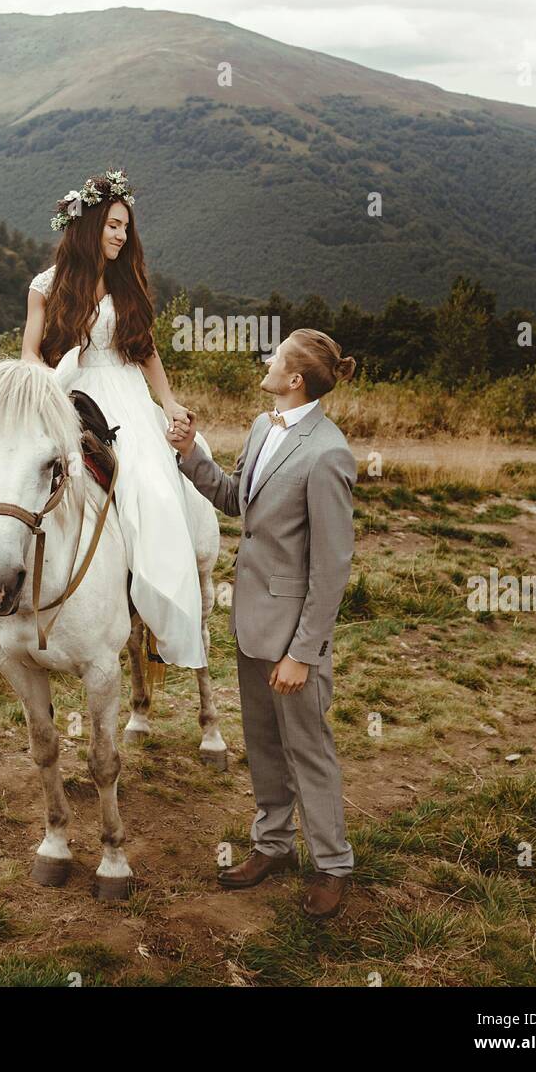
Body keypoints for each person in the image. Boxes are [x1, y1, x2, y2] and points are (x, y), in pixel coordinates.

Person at [0, 168, 206, 670]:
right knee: (6, 473)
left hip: (125, 395)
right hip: (65, 391)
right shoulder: (46, 286)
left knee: (151, 487)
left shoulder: (127, 282)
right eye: (113, 225)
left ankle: (147, 602)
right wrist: (45, 387)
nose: (121, 235)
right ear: (89, 223)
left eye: (125, 227)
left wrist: (169, 402)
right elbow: (31, 351)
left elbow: (146, 352)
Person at [170, 329, 357, 920]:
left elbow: (331, 568)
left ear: (296, 378)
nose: (266, 362)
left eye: (274, 357)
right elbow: (234, 500)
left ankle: (332, 865)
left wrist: (303, 652)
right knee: (262, 744)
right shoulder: (260, 426)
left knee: (309, 749)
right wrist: (189, 453)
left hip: (293, 637)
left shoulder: (329, 454)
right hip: (250, 621)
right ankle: (272, 844)